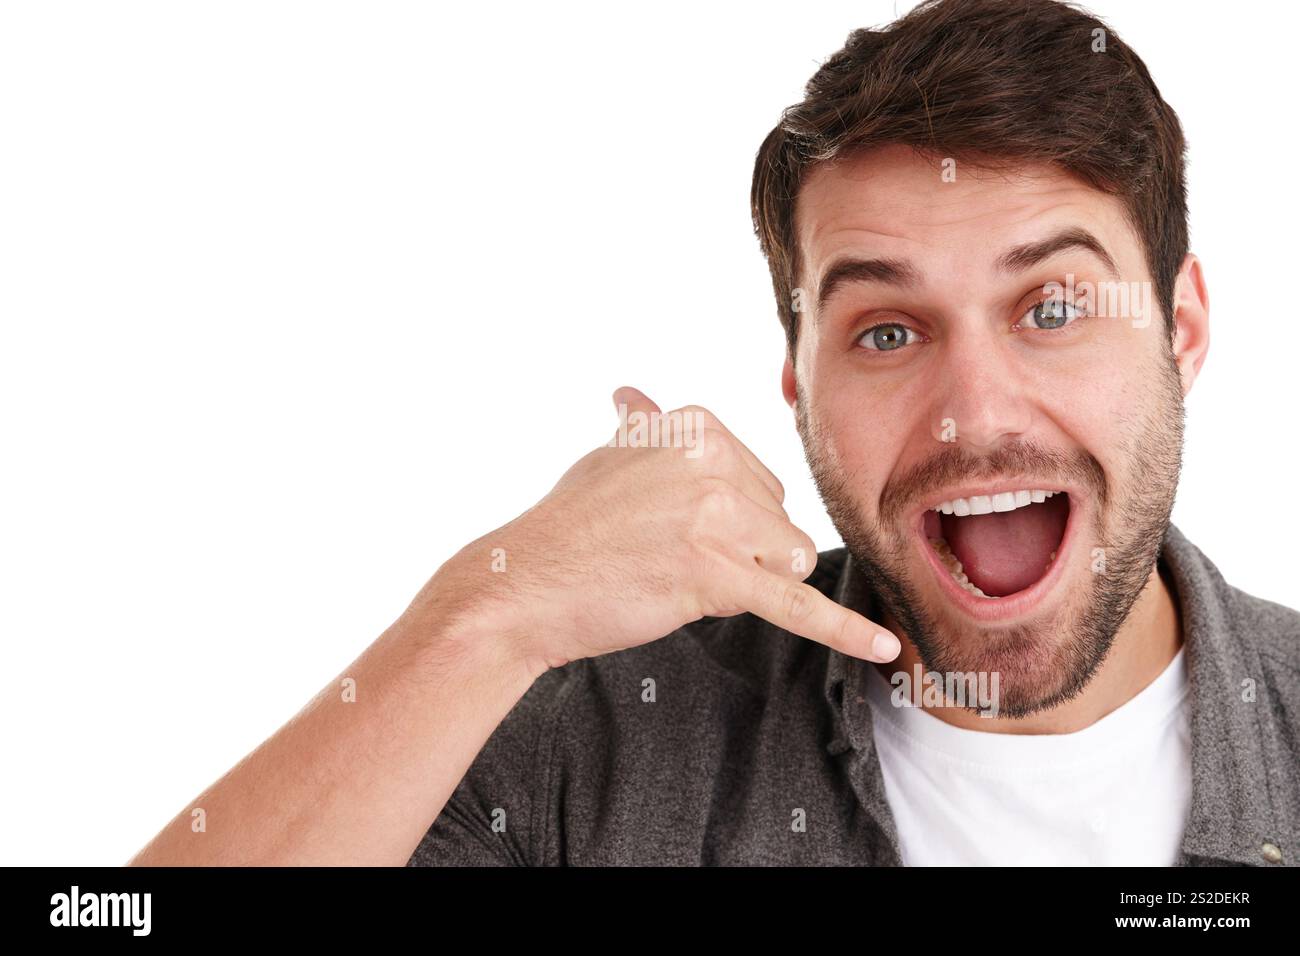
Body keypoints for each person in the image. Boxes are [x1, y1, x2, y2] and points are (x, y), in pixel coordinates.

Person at [129, 0, 1299, 867]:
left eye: (1050, 308)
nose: (973, 412)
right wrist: (483, 614)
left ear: (1181, 328)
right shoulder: (598, 747)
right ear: (796, 383)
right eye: (887, 331)